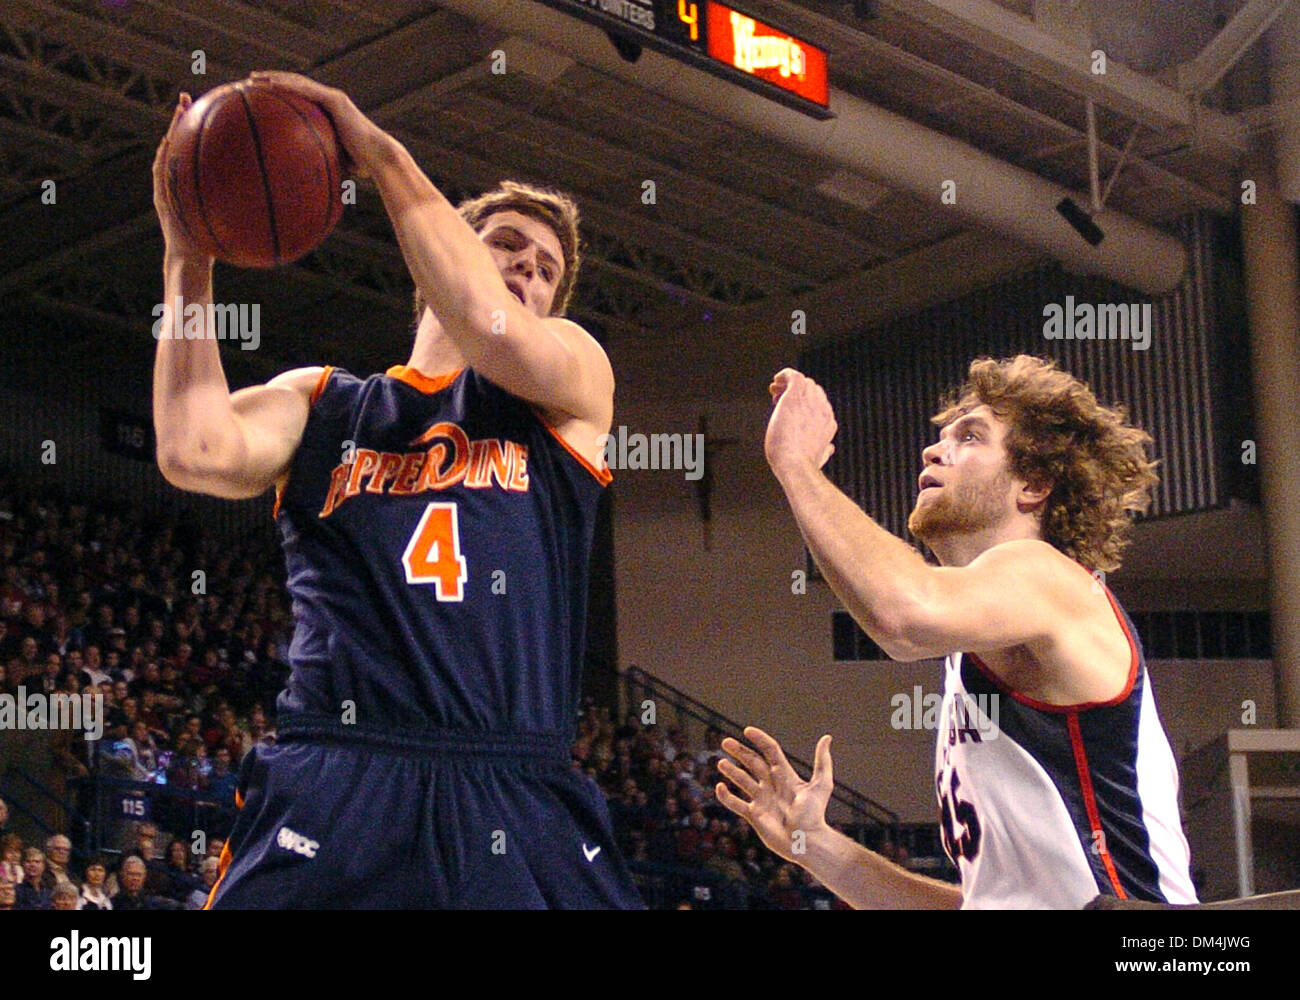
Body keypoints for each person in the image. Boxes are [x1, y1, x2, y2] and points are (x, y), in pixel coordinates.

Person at [150, 73, 640, 909]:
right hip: (338, 771)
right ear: (440, 253)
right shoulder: (322, 402)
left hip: (510, 777)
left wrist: (380, 155)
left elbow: (491, 325)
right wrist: (188, 253)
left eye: (547, 267)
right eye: (506, 245)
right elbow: (194, 449)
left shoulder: (570, 384)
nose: (528, 265)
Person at [717, 356, 1196, 909]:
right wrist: (816, 845)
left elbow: (902, 614)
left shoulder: (1048, 578)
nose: (932, 449)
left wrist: (796, 465)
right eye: (943, 436)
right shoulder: (976, 649)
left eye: (970, 437)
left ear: (1033, 485)